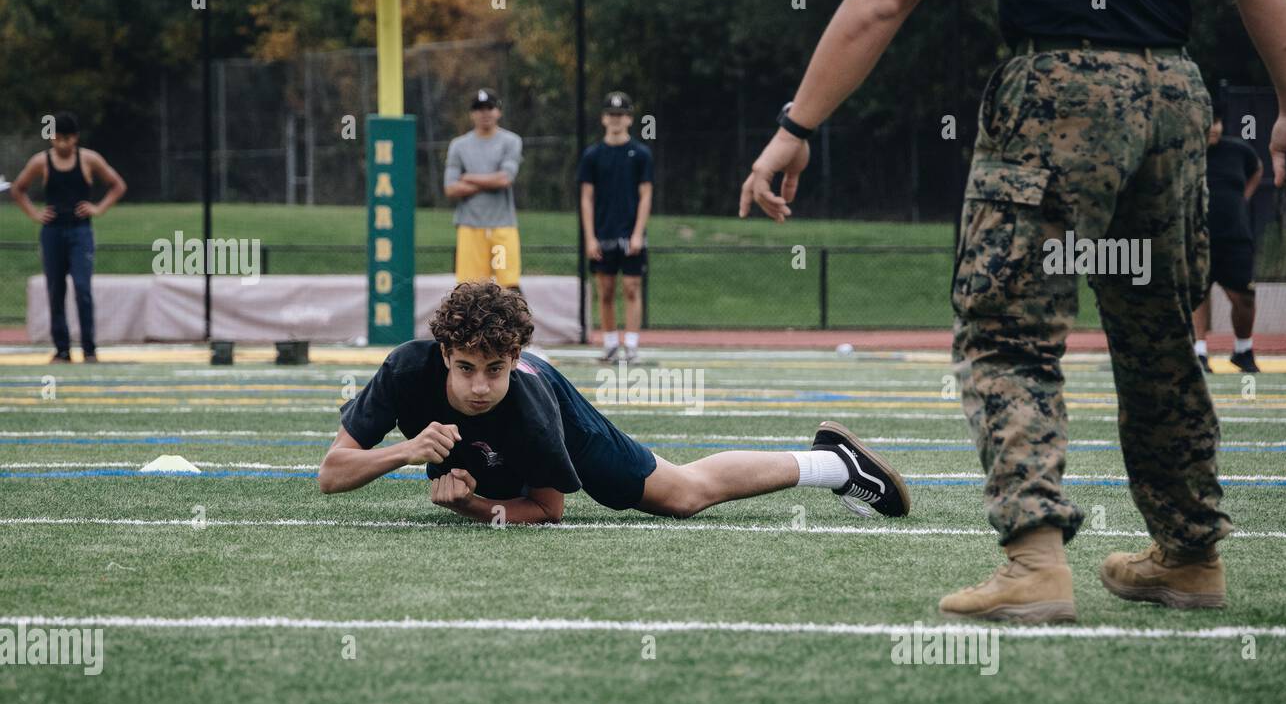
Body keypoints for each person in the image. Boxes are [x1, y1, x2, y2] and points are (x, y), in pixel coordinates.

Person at [739, 0, 1286, 621]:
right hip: (1172, 94)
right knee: (1161, 337)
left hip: (1059, 90)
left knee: (1007, 333)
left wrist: (795, 128)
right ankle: (1191, 555)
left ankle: (1036, 562)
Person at [318, 281, 910, 524]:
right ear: (444, 352)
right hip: (478, 446)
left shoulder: (530, 403)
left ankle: (833, 465)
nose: (479, 385)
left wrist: (470, 506)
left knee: (682, 495)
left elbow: (548, 511)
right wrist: (404, 453)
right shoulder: (403, 369)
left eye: (495, 369)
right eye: (467, 367)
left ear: (517, 355)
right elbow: (330, 474)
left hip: (565, 423)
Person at [10, 111, 127, 363]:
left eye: (67, 138)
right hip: (52, 232)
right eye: (57, 138)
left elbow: (117, 184)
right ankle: (62, 349)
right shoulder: (41, 162)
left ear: (75, 138)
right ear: (51, 138)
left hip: (80, 231)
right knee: (55, 289)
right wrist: (34, 214)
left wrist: (99, 208)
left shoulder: (89, 159)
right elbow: (18, 189)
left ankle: (89, 348)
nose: (62, 144)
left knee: (83, 288)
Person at [579, 91, 654, 363]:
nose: (616, 120)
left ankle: (631, 345)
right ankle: (610, 343)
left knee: (632, 288)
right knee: (606, 289)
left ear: (630, 119)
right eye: (611, 115)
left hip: (630, 232)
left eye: (621, 115)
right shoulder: (593, 155)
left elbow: (646, 194)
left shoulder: (641, 154)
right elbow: (586, 198)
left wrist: (637, 232)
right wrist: (590, 237)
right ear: (603, 118)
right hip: (602, 232)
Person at [1194, 100, 1264, 373]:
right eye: (1210, 121)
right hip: (1197, 234)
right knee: (1198, 294)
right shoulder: (1188, 152)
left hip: (1234, 235)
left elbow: (1257, 168)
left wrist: (1243, 199)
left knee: (1244, 296)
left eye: (1218, 121)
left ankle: (1243, 350)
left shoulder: (1238, 150)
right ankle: (1199, 353)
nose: (1215, 128)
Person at [444, 89, 524, 291]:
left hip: (501, 227)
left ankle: (509, 324)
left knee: (508, 286)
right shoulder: (459, 145)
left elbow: (505, 179)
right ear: (472, 114)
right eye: (479, 109)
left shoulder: (511, 141)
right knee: (470, 289)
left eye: (489, 108)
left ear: (498, 111)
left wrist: (469, 177)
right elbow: (451, 188)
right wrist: (490, 180)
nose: (485, 113)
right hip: (470, 226)